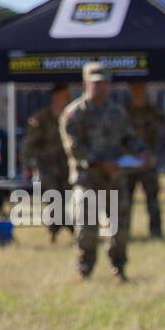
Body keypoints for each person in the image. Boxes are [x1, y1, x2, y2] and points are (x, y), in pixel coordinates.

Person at [58, 63, 150, 281]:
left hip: (115, 179)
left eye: (104, 83)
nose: (100, 87)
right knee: (87, 228)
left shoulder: (117, 112)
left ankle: (119, 268)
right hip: (88, 178)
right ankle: (85, 268)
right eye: (96, 83)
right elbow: (74, 149)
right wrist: (100, 162)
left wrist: (143, 151)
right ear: (85, 84)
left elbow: (128, 137)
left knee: (120, 229)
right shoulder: (74, 114)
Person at [20, 83, 72, 243]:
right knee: (54, 199)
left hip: (67, 167)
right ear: (55, 97)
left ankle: (71, 231)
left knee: (70, 200)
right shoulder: (40, 118)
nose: (68, 99)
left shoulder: (72, 116)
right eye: (64, 96)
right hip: (46, 168)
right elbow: (28, 145)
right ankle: (55, 232)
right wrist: (27, 167)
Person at [123, 82, 165, 239]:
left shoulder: (154, 111)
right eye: (135, 87)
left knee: (152, 199)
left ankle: (156, 233)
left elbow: (162, 134)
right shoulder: (123, 113)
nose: (138, 90)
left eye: (140, 87)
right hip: (128, 164)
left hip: (149, 163)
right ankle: (124, 233)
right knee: (125, 200)